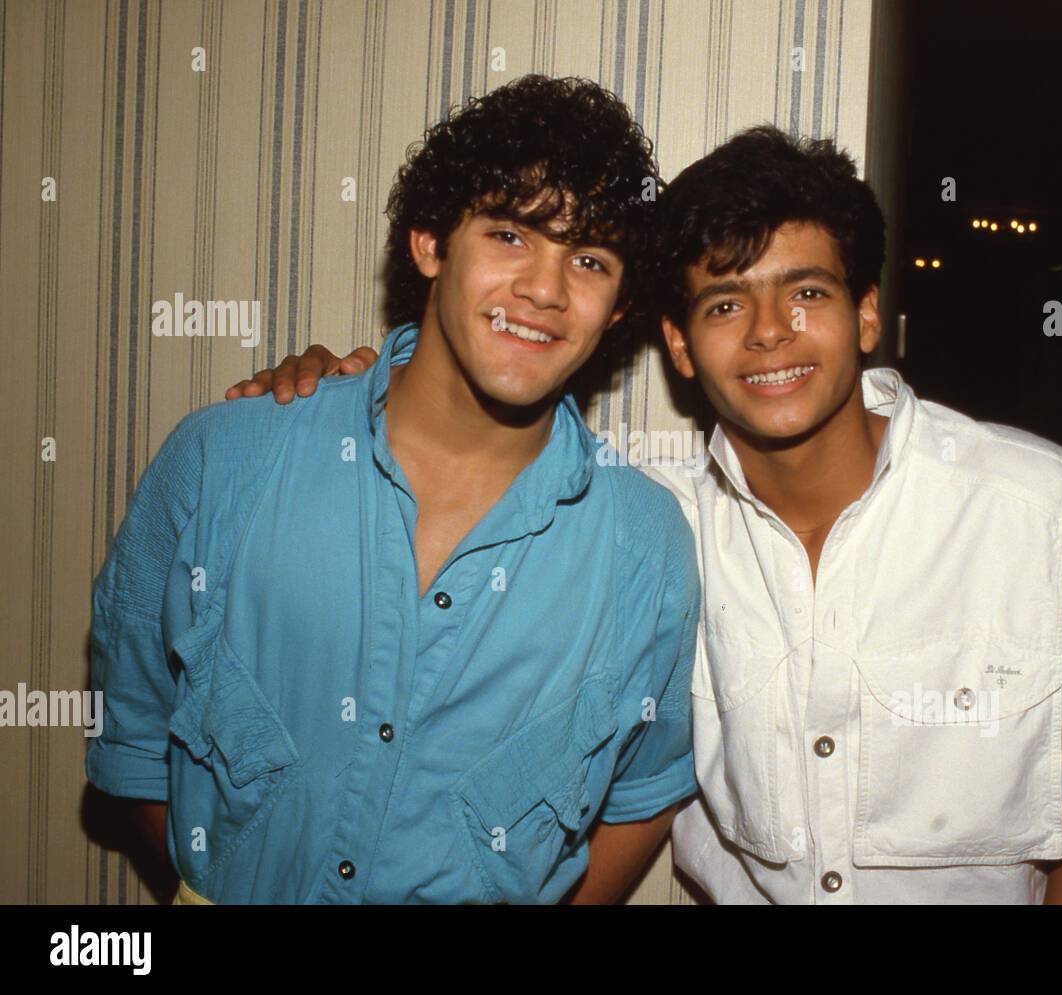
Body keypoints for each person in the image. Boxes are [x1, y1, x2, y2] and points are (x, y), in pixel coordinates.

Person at [234, 126, 1062, 904]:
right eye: (725, 302)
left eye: (807, 293)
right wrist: (347, 392)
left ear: (867, 314)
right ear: (676, 343)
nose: (768, 332)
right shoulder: (643, 537)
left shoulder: (1040, 508)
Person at [87, 75, 700, 905]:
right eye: (511, 235)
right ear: (429, 243)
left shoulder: (643, 544)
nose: (546, 290)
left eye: (588, 260)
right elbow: (133, 737)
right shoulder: (221, 462)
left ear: (619, 308)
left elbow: (641, 792)